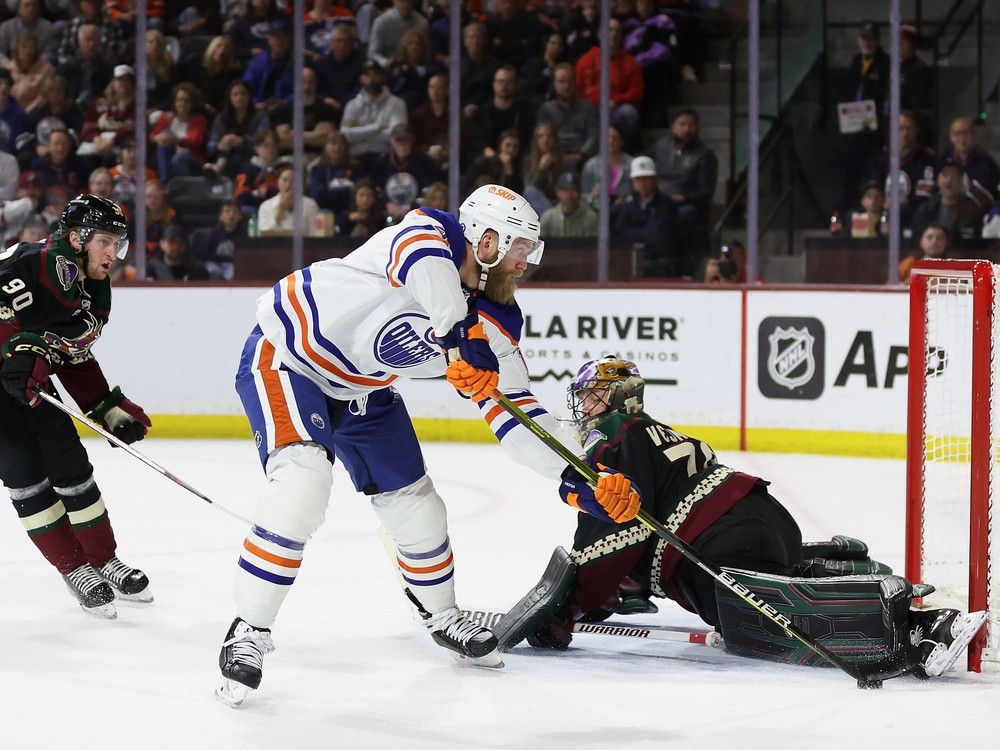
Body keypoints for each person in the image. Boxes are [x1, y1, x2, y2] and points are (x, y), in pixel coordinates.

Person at [215, 184, 641, 707]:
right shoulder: (428, 233)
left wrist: (578, 475)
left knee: (418, 506)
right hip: (288, 358)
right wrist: (460, 335)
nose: (526, 262)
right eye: (520, 247)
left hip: (363, 388)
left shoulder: (497, 320)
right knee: (302, 486)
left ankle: (442, 616)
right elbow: (426, 266)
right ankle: (249, 629)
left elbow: (518, 414)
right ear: (487, 240)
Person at [496, 357, 988, 682]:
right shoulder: (660, 432)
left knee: (759, 625)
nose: (583, 407)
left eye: (590, 395)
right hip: (763, 517)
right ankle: (829, 567)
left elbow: (616, 529)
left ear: (615, 395)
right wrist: (617, 593)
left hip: (716, 545)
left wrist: (569, 607)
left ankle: (923, 628)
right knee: (775, 583)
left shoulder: (613, 436)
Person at [0, 194, 153, 620]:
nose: (112, 253)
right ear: (76, 239)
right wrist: (12, 351)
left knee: (71, 465)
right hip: (10, 379)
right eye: (105, 241)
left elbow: (71, 352)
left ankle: (103, 559)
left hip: (29, 381)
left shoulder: (93, 290)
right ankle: (74, 568)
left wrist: (105, 406)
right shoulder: (30, 264)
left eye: (117, 244)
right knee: (25, 475)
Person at [612, 155, 675, 277]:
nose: (642, 184)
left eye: (646, 179)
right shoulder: (628, 204)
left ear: (655, 179)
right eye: (638, 179)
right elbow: (619, 232)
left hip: (657, 261)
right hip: (630, 259)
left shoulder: (665, 204)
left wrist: (631, 233)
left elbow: (656, 235)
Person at [535, 62, 598, 172]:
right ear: (554, 83)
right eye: (562, 82)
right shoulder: (546, 109)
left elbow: (593, 136)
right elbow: (543, 137)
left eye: (570, 81)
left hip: (582, 158)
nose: (566, 86)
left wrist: (581, 155)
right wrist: (558, 156)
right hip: (554, 157)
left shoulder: (587, 108)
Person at [910, 159, 984, 247]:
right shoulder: (925, 210)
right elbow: (916, 240)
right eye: (945, 175)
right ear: (937, 180)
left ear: (961, 181)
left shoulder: (973, 211)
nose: (949, 180)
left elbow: (975, 244)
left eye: (954, 176)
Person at [256, 165, 322, 236]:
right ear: (278, 182)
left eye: (293, 181)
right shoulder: (265, 206)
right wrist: (280, 211)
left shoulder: (310, 205)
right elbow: (263, 236)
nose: (288, 185)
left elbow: (315, 235)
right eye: (284, 180)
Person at [539, 171, 597, 238]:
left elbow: (594, 244)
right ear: (558, 192)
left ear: (580, 192)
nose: (569, 195)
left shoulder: (590, 218)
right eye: (565, 190)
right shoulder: (548, 218)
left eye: (574, 190)